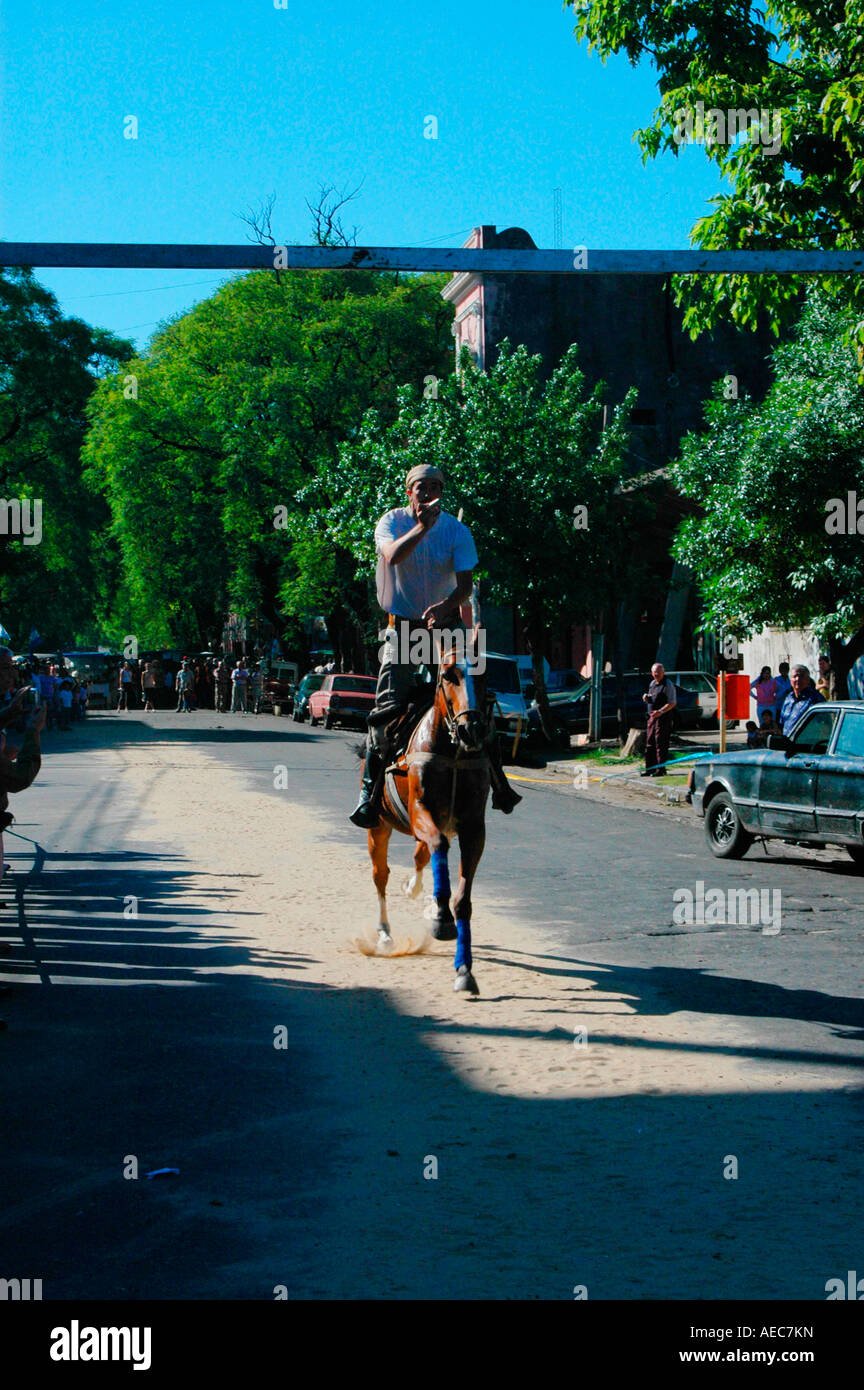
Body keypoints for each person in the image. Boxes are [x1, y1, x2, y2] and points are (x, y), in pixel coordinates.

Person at [349, 462, 521, 827]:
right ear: (408, 491)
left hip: (446, 626)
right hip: (404, 629)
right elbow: (392, 556)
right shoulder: (392, 522)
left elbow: (465, 586)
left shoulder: (457, 531)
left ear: (441, 491)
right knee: (389, 705)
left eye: (434, 486)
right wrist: (420, 528)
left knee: (475, 700)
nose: (427, 493)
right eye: (420, 487)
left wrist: (447, 606)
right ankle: (369, 789)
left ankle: (499, 781)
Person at [641, 662, 677, 777]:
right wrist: (647, 698)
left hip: (663, 718)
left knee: (660, 744)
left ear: (663, 672)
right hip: (652, 717)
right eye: (655, 672)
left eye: (659, 672)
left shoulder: (668, 684)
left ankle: (661, 769)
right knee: (650, 743)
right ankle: (650, 768)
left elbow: (672, 702)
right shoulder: (652, 684)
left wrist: (660, 712)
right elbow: (653, 698)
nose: (656, 674)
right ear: (652, 673)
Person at [779, 663, 824, 735]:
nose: (798, 679)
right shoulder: (788, 698)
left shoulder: (816, 698)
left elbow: (823, 724)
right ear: (790, 680)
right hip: (788, 743)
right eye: (795, 676)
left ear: (808, 680)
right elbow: (782, 723)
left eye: (801, 676)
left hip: (807, 743)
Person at [773, 661, 792, 725]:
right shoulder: (776, 680)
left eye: (786, 669)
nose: (784, 671)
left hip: (788, 705)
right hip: (779, 705)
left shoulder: (790, 680)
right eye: (782, 670)